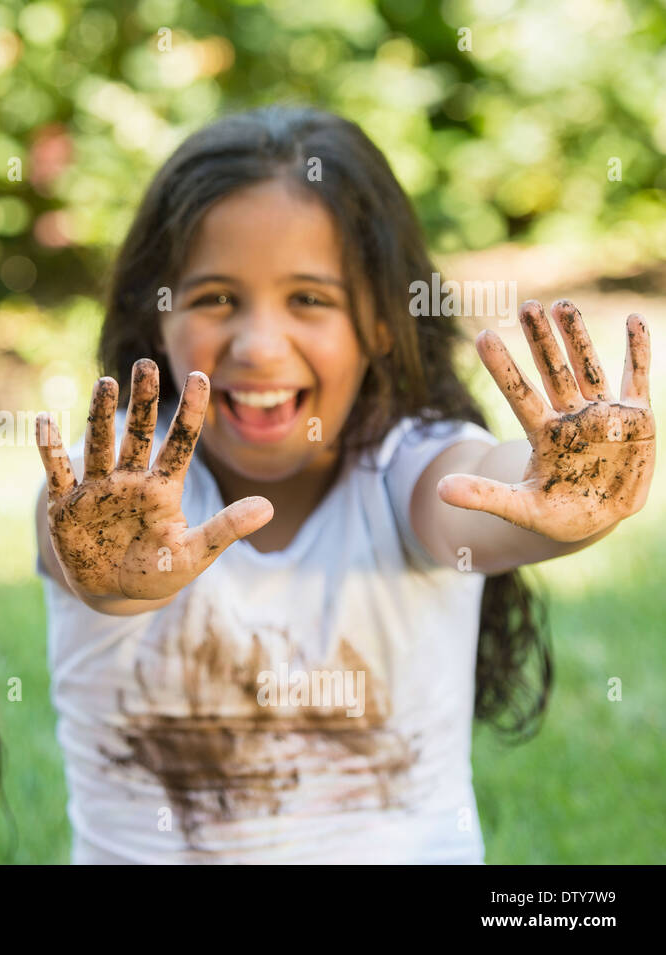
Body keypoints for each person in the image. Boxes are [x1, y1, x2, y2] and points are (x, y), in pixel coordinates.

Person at [33, 106, 655, 863]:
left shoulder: (407, 465)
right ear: (156, 317)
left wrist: (564, 496)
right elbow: (80, 554)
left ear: (383, 323)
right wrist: (109, 576)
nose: (259, 346)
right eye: (214, 297)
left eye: (310, 299)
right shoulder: (106, 501)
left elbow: (478, 500)